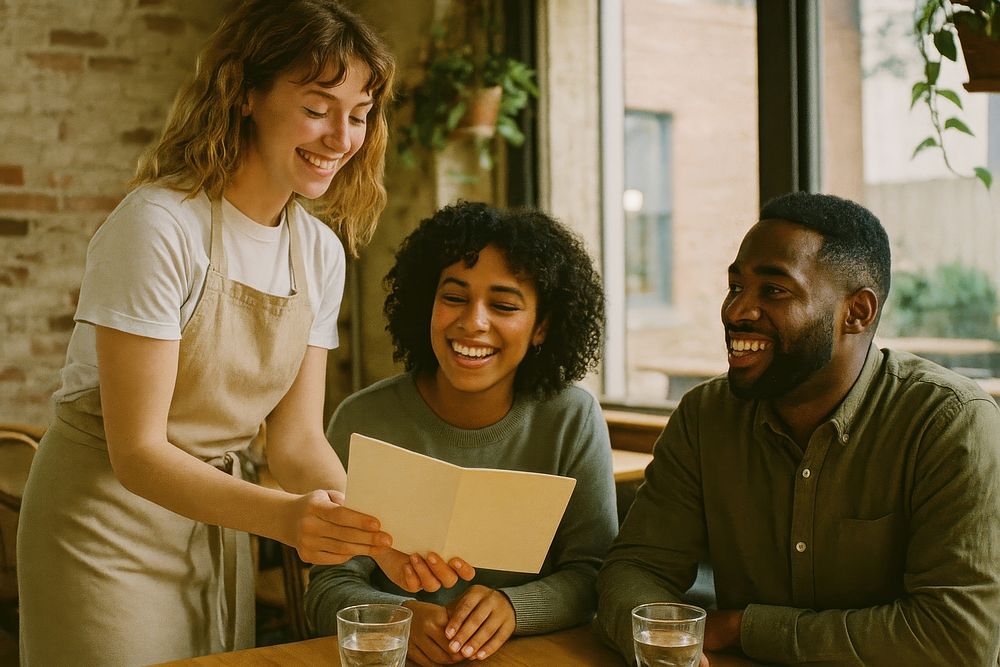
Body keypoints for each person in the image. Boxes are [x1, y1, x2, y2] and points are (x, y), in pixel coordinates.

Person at [17, 3, 462, 664]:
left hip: (219, 522)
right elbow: (137, 450)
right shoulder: (159, 226)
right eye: (318, 106)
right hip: (102, 526)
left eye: (361, 114)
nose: (342, 137)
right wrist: (283, 517)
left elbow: (296, 442)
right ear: (247, 95)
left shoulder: (319, 252)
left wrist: (379, 532)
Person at [597, 192, 1000, 666]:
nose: (736, 311)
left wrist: (745, 627)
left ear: (858, 312)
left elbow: (957, 638)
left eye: (774, 291)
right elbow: (634, 568)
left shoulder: (948, 421)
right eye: (735, 286)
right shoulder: (705, 416)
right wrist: (662, 640)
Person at [305, 201, 619, 665]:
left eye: (504, 305)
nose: (473, 321)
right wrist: (397, 616)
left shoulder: (572, 418)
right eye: (453, 297)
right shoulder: (363, 419)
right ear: (425, 304)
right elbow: (327, 585)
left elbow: (595, 573)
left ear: (542, 327)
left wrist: (515, 608)